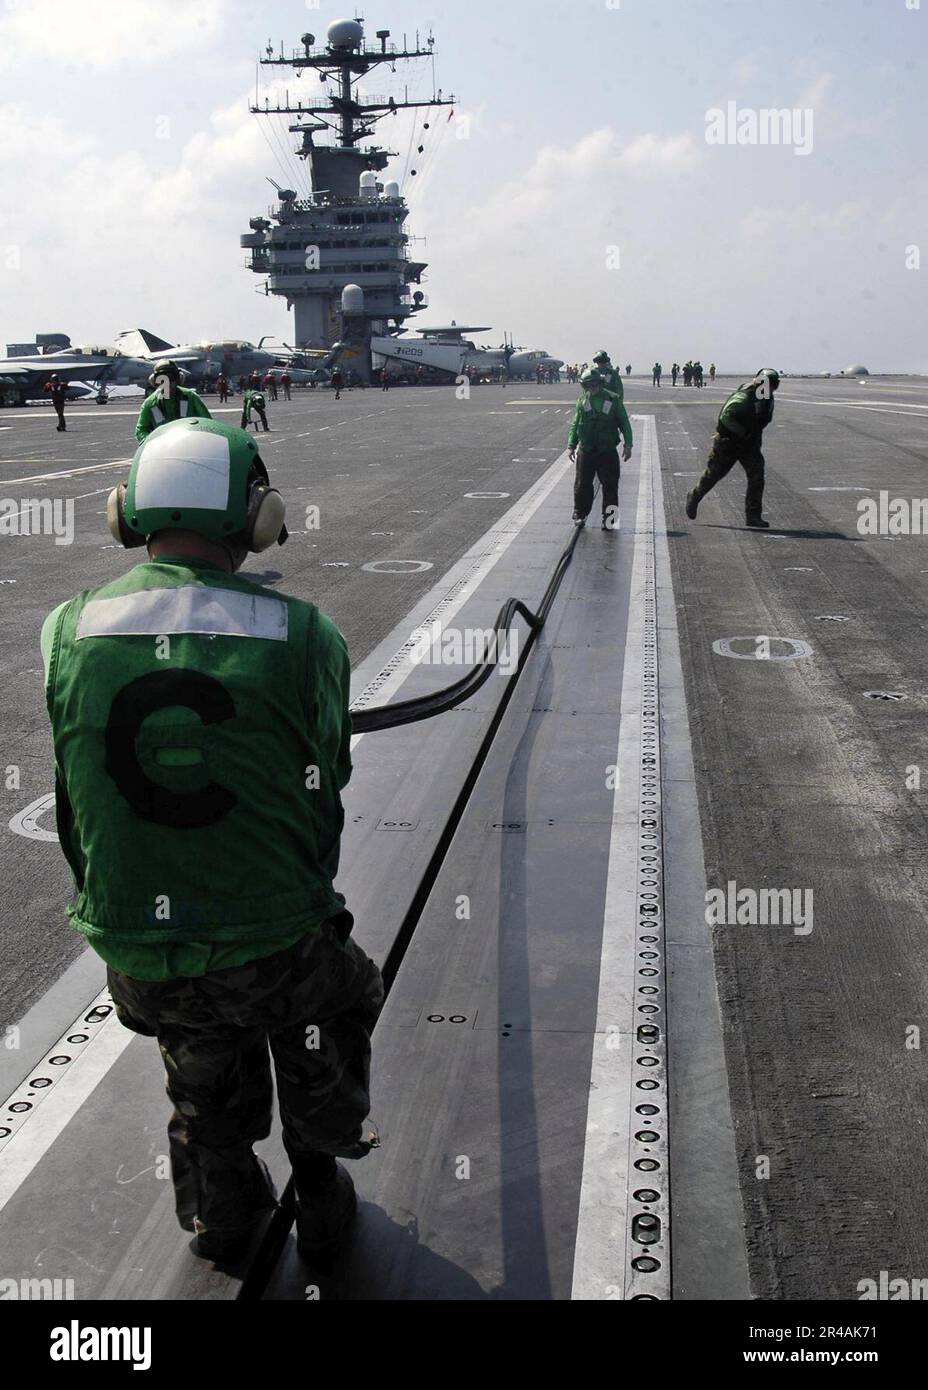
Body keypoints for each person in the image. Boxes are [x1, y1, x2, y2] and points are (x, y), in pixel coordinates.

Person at [41, 416, 382, 1263]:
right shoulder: (306, 633)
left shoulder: (67, 627)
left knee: (199, 1051)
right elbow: (328, 774)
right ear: (256, 515)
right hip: (275, 946)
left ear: (130, 514)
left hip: (139, 959)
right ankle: (321, 1176)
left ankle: (221, 1213)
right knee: (341, 996)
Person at [685, 368, 780, 529]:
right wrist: (741, 433)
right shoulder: (743, 399)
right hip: (728, 442)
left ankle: (753, 516)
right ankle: (694, 497)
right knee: (713, 475)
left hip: (749, 443)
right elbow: (725, 417)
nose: (771, 389)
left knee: (757, 476)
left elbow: (762, 419)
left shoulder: (765, 397)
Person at [567, 369, 633, 531]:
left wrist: (628, 445)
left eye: (595, 383)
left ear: (601, 383)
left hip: (607, 450)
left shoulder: (613, 399)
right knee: (582, 484)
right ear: (585, 385)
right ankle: (580, 514)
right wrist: (571, 445)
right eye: (589, 384)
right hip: (587, 449)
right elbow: (576, 424)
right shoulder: (582, 400)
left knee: (610, 485)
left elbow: (624, 422)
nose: (593, 387)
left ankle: (610, 519)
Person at [135, 360, 211, 442]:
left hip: (190, 445)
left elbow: (208, 423)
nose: (167, 383)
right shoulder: (151, 404)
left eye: (171, 378)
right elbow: (141, 430)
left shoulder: (190, 397)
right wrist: (150, 442)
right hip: (163, 449)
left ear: (178, 379)